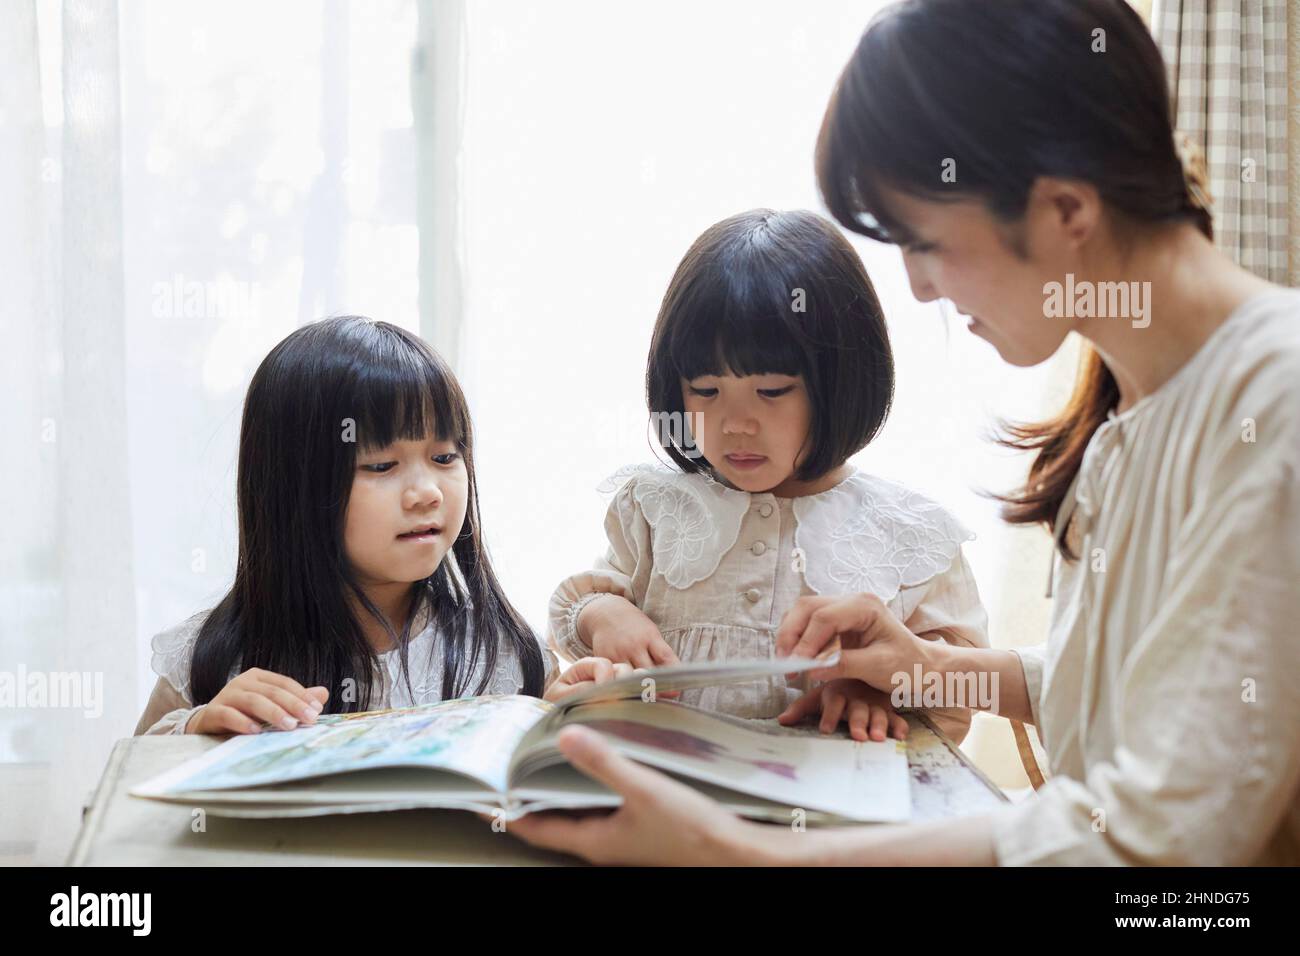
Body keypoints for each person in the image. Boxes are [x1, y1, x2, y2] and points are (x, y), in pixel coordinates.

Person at [507, 0, 1300, 865]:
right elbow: (1103, 694)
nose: (919, 290)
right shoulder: (1141, 410)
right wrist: (916, 663)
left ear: (1065, 209)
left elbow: (1165, 842)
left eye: (923, 243)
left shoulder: (1274, 404)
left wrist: (737, 856)